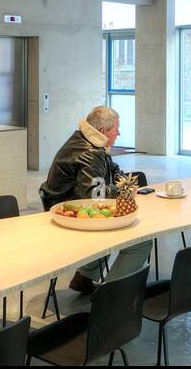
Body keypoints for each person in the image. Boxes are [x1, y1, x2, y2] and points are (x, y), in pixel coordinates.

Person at [39, 106, 152, 295]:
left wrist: (121, 182)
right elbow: (95, 197)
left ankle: (85, 276)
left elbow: (114, 171)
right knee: (141, 242)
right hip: (71, 217)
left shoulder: (85, 140)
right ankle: (108, 296)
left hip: (67, 210)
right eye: (116, 129)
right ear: (103, 131)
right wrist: (124, 189)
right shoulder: (90, 152)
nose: (119, 133)